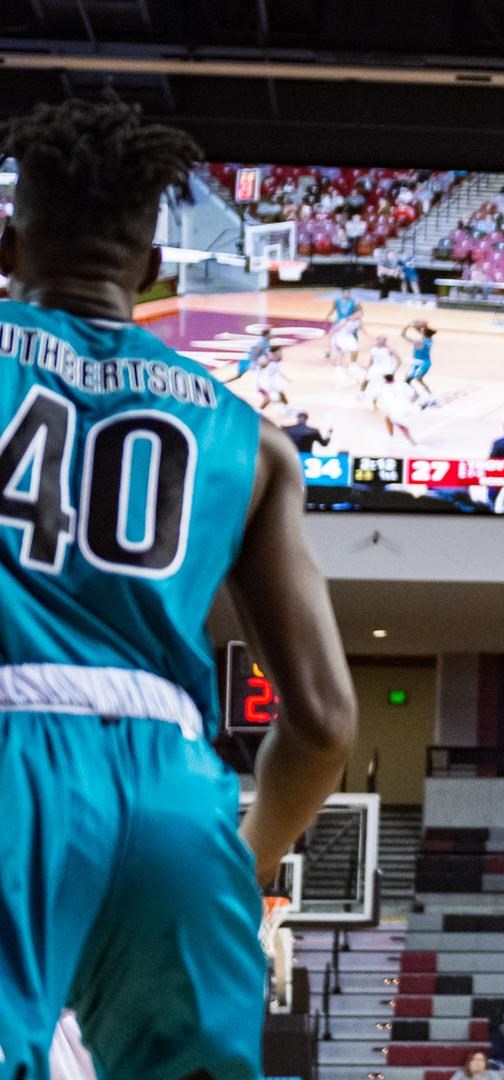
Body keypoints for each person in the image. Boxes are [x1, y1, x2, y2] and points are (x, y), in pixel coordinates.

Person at [0, 97, 356, 1078]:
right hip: (174, 792)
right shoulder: (256, 442)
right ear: (151, 269)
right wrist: (236, 868)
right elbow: (326, 722)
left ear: (5, 246)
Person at [376, 374, 419, 445]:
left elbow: (375, 396)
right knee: (388, 419)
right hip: (406, 407)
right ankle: (391, 436)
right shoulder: (403, 384)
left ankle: (413, 442)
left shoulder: (382, 387)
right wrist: (411, 403)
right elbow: (415, 395)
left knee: (400, 424)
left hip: (395, 409)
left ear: (384, 379)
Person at [401, 320, 436, 397]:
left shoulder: (422, 342)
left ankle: (429, 395)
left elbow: (403, 335)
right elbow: (403, 335)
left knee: (418, 379)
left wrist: (410, 325)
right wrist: (409, 326)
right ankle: (419, 394)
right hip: (419, 363)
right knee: (408, 381)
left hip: (423, 363)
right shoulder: (428, 340)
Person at [362, 334, 401, 400]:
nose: (381, 341)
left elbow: (399, 360)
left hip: (385, 368)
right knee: (366, 380)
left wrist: (394, 370)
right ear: (377, 340)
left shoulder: (389, 349)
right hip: (375, 367)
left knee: (390, 385)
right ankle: (361, 392)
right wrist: (368, 367)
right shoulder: (373, 348)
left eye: (383, 340)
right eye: (379, 340)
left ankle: (395, 397)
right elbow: (371, 359)